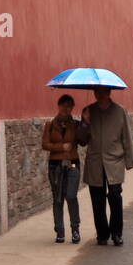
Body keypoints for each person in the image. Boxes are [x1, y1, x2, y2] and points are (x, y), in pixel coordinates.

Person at [82, 87, 133, 246]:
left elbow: (126, 135)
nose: (99, 94)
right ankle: (102, 234)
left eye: (102, 91)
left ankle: (117, 233)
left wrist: (129, 159)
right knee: (97, 200)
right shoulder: (89, 111)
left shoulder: (120, 111)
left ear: (109, 92)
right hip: (95, 161)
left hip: (114, 161)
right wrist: (84, 122)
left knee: (115, 196)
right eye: (96, 91)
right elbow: (82, 140)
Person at [41, 94, 87, 243]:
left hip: (72, 163)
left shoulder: (76, 124)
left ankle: (75, 229)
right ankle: (59, 231)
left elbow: (83, 142)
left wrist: (85, 124)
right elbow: (45, 145)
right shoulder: (50, 125)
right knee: (58, 198)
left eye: (69, 106)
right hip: (55, 165)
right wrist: (61, 147)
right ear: (58, 106)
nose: (66, 109)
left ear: (73, 108)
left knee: (71, 196)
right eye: (63, 105)